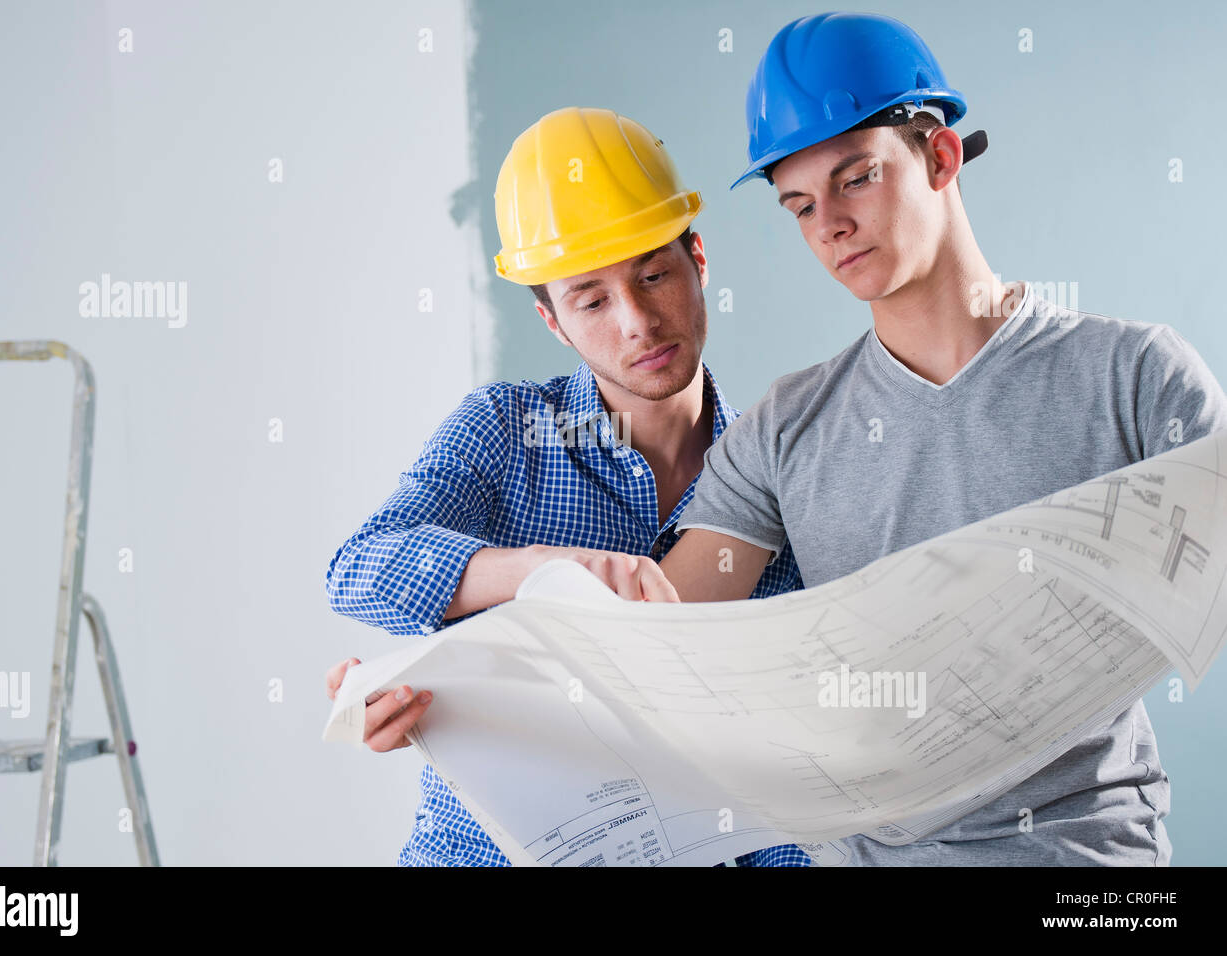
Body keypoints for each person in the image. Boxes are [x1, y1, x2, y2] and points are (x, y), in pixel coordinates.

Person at [656, 11, 1227, 865]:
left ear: (941, 158)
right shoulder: (785, 429)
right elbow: (656, 643)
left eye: (856, 179)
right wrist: (455, 702)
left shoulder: (1136, 379)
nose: (829, 227)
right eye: (800, 206)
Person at [323, 106, 808, 866]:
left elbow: (785, 769)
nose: (639, 322)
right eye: (591, 299)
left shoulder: (778, 474)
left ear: (698, 259)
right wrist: (543, 574)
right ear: (553, 321)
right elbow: (359, 569)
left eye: (654, 275)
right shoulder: (503, 430)